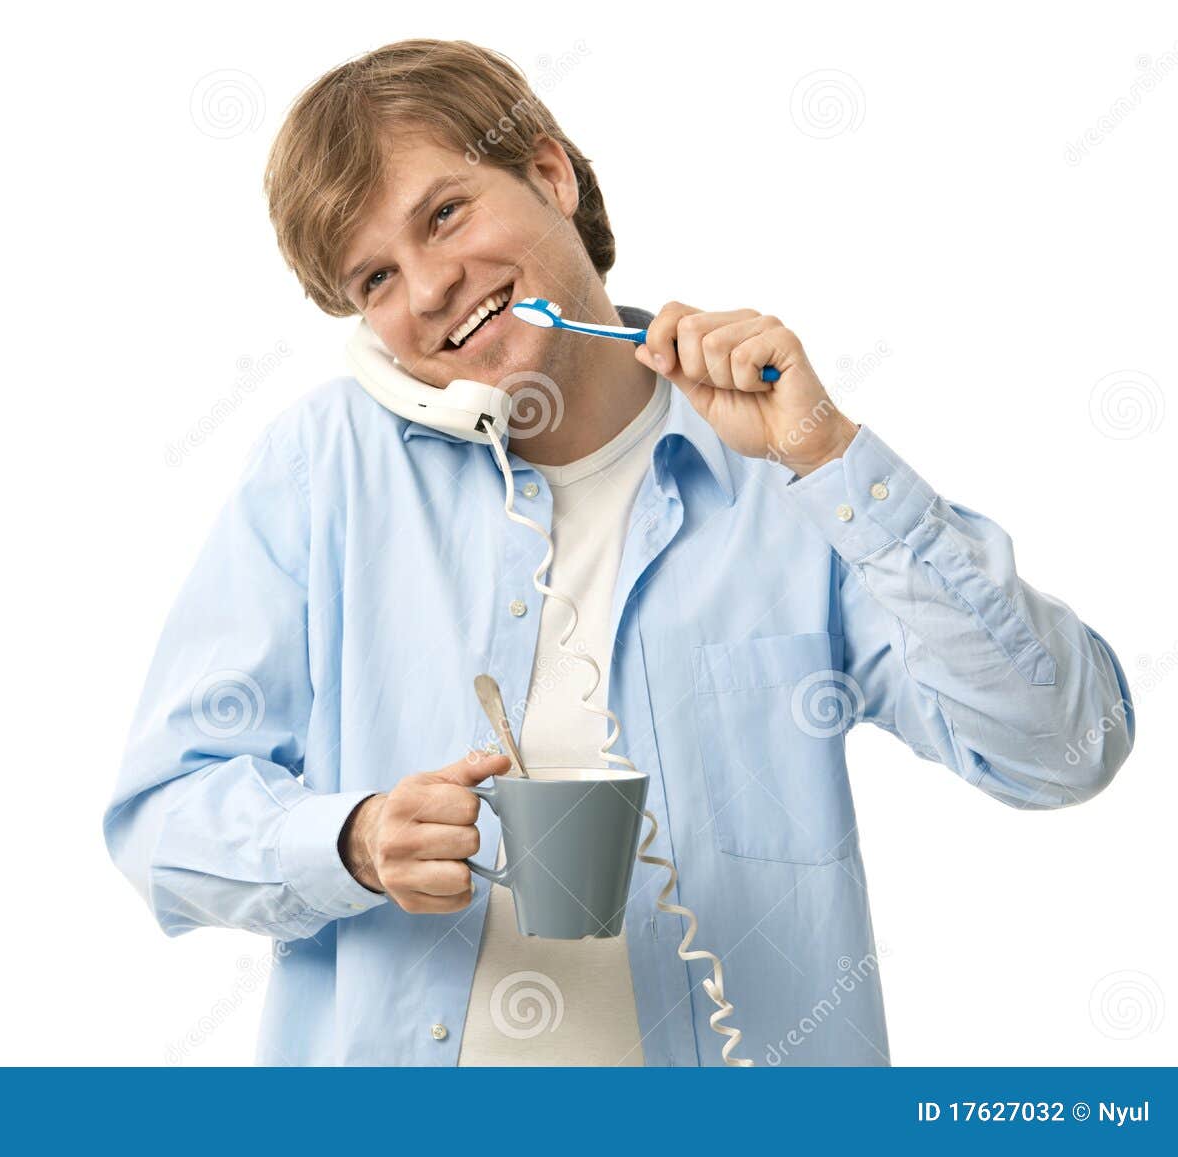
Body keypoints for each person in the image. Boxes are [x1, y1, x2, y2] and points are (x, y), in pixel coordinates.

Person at [103, 39, 1135, 1066]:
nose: (426, 289)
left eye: (445, 214)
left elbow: (1065, 746)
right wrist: (352, 838)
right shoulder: (321, 469)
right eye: (375, 276)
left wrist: (827, 455)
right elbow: (162, 817)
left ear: (549, 172)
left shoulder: (782, 479)